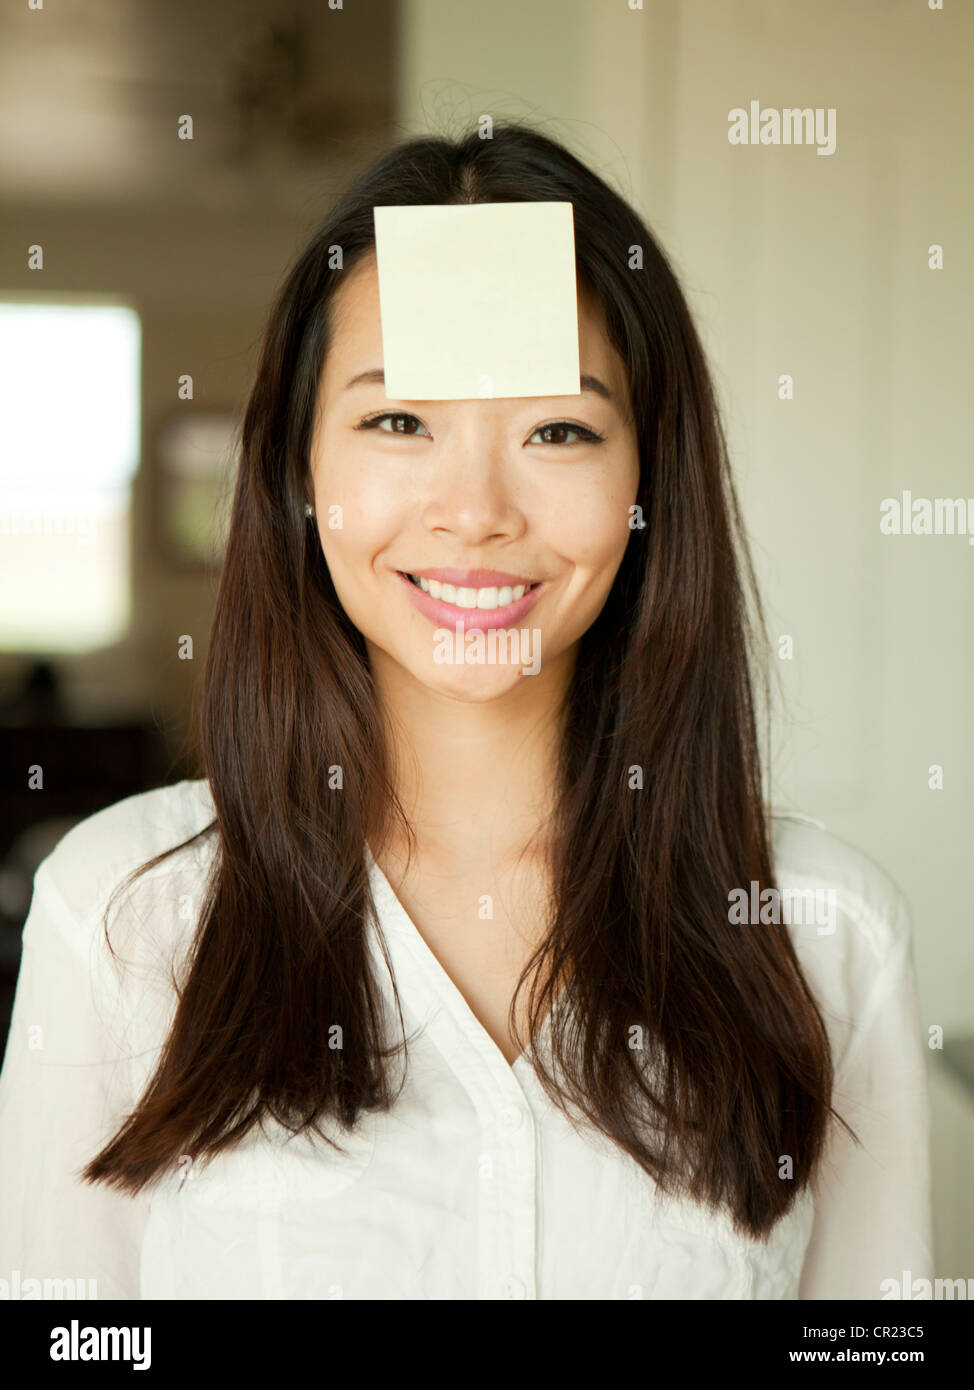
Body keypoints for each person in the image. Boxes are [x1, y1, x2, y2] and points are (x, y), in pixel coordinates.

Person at [0, 121, 932, 1300]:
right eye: (399, 422)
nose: (475, 510)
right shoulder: (124, 916)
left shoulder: (825, 932)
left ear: (651, 478)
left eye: (557, 430)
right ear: (297, 470)